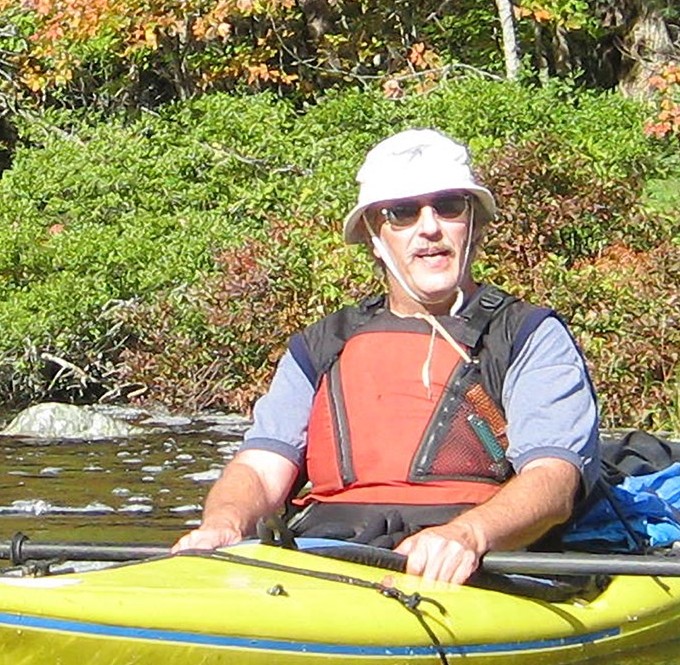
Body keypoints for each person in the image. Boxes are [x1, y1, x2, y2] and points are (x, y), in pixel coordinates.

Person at [172, 128, 601, 585]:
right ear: (375, 236)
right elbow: (259, 469)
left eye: (450, 207)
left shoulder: (527, 334)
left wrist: (468, 535)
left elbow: (553, 479)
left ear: (473, 226)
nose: (430, 227)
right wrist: (224, 524)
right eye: (403, 213)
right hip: (328, 552)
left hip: (476, 563)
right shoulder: (321, 345)